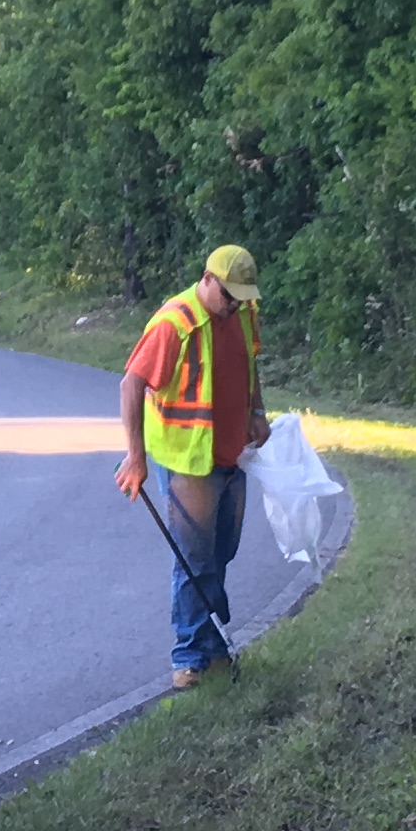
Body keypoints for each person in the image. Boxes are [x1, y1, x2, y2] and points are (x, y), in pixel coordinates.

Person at [114, 243, 269, 688]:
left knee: (223, 552)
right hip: (187, 461)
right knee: (194, 560)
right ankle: (189, 658)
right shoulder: (173, 324)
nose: (235, 304)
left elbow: (250, 366)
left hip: (230, 453)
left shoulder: (243, 313)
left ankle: (212, 647)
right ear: (207, 280)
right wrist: (136, 456)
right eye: (229, 295)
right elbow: (132, 383)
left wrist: (258, 412)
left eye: (241, 296)